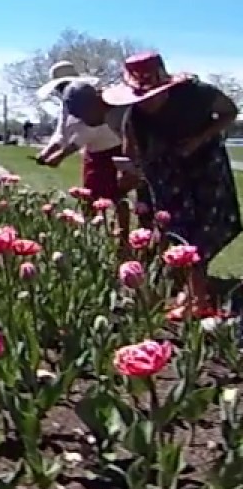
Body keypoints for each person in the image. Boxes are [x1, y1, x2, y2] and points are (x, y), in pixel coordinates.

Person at [102, 52, 241, 320]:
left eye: (152, 95)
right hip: (167, 173)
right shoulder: (135, 115)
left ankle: (198, 300)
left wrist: (200, 138)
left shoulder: (196, 94)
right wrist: (130, 171)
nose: (147, 102)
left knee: (203, 228)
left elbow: (229, 111)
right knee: (176, 228)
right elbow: (131, 149)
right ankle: (187, 292)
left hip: (205, 167)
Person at [47, 81, 136, 241]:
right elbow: (77, 140)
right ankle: (90, 234)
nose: (85, 119)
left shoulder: (122, 107)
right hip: (102, 157)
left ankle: (125, 238)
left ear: (97, 101)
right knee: (91, 197)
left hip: (123, 154)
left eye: (86, 113)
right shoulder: (91, 122)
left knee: (121, 197)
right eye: (80, 116)